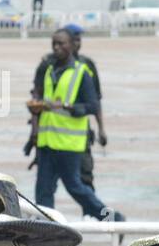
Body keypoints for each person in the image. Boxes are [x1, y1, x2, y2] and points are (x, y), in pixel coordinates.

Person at [28, 29, 120, 221]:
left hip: (69, 144)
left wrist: (68, 106)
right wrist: (37, 112)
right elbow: (43, 99)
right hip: (47, 143)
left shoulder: (81, 73)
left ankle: (113, 218)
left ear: (72, 45)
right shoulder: (49, 70)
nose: (57, 47)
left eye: (61, 43)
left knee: (76, 188)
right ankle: (47, 233)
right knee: (43, 190)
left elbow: (92, 106)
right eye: (54, 43)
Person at [31, 23, 104, 189]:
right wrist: (34, 131)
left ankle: (92, 214)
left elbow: (95, 101)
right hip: (48, 136)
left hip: (75, 136)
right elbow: (36, 97)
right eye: (55, 43)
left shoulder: (86, 66)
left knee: (82, 178)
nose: (78, 43)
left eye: (79, 40)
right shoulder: (47, 65)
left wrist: (101, 128)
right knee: (45, 185)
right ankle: (47, 214)